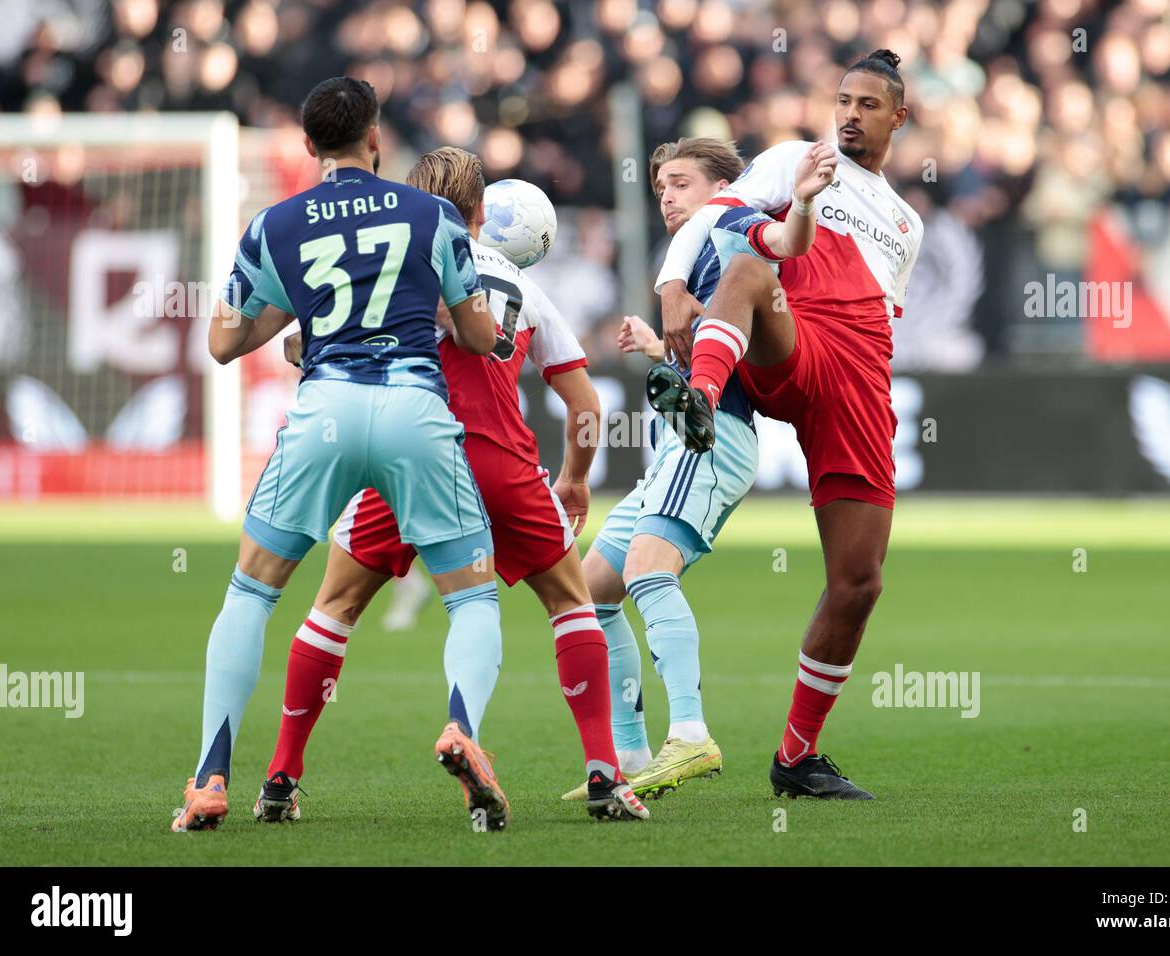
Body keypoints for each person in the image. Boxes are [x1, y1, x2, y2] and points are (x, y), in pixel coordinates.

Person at [254, 147, 649, 828]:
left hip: (408, 453)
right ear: (480, 210)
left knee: (335, 606)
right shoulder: (524, 286)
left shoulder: (386, 263)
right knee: (569, 602)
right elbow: (586, 406)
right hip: (502, 462)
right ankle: (604, 776)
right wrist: (575, 481)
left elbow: (294, 345)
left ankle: (280, 780)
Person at [172, 78, 500, 831]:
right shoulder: (434, 214)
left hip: (325, 411)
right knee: (472, 597)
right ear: (376, 136)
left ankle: (210, 775)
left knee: (252, 594)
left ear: (310, 146)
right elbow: (479, 336)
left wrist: (307, 312)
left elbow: (223, 343)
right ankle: (460, 730)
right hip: (416, 410)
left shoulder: (274, 224)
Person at [649, 51, 925, 799]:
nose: (850, 114)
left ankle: (796, 758)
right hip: (794, 338)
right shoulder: (796, 160)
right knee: (749, 274)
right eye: (843, 99)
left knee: (859, 581)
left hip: (861, 375)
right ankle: (701, 397)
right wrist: (672, 283)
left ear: (898, 116)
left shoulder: (907, 222)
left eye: (869, 104)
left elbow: (883, 312)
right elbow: (714, 217)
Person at [562, 136, 834, 801]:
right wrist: (662, 350)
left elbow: (787, 242)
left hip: (711, 439)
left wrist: (801, 199)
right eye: (660, 188)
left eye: (680, 183)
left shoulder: (734, 230)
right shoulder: (687, 260)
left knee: (648, 569)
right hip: (677, 445)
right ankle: (626, 761)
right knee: (594, 586)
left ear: (723, 187)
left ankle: (689, 733)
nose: (667, 197)